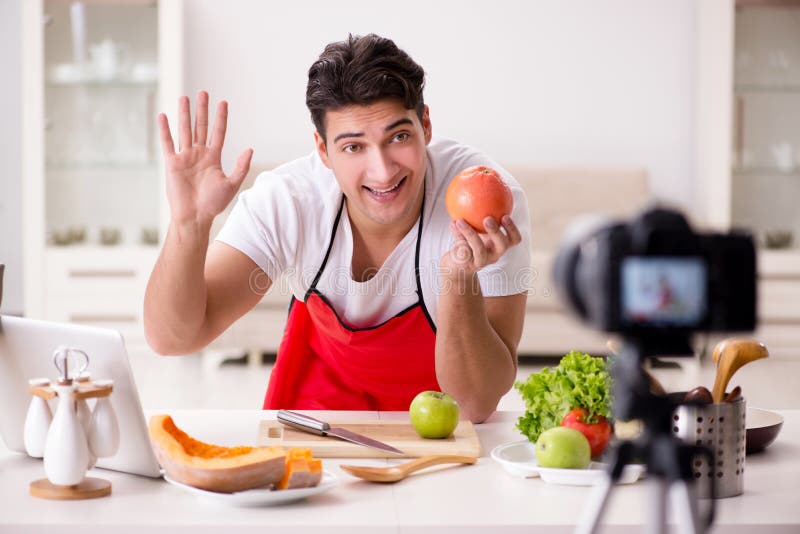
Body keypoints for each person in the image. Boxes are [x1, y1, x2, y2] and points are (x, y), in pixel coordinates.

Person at [143, 34, 531, 422]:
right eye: (353, 147)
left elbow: (474, 404)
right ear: (323, 150)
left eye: (398, 137)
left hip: (439, 419)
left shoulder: (486, 203)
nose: (383, 171)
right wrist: (188, 226)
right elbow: (174, 338)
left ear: (425, 126)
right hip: (318, 410)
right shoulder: (289, 200)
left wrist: (458, 277)